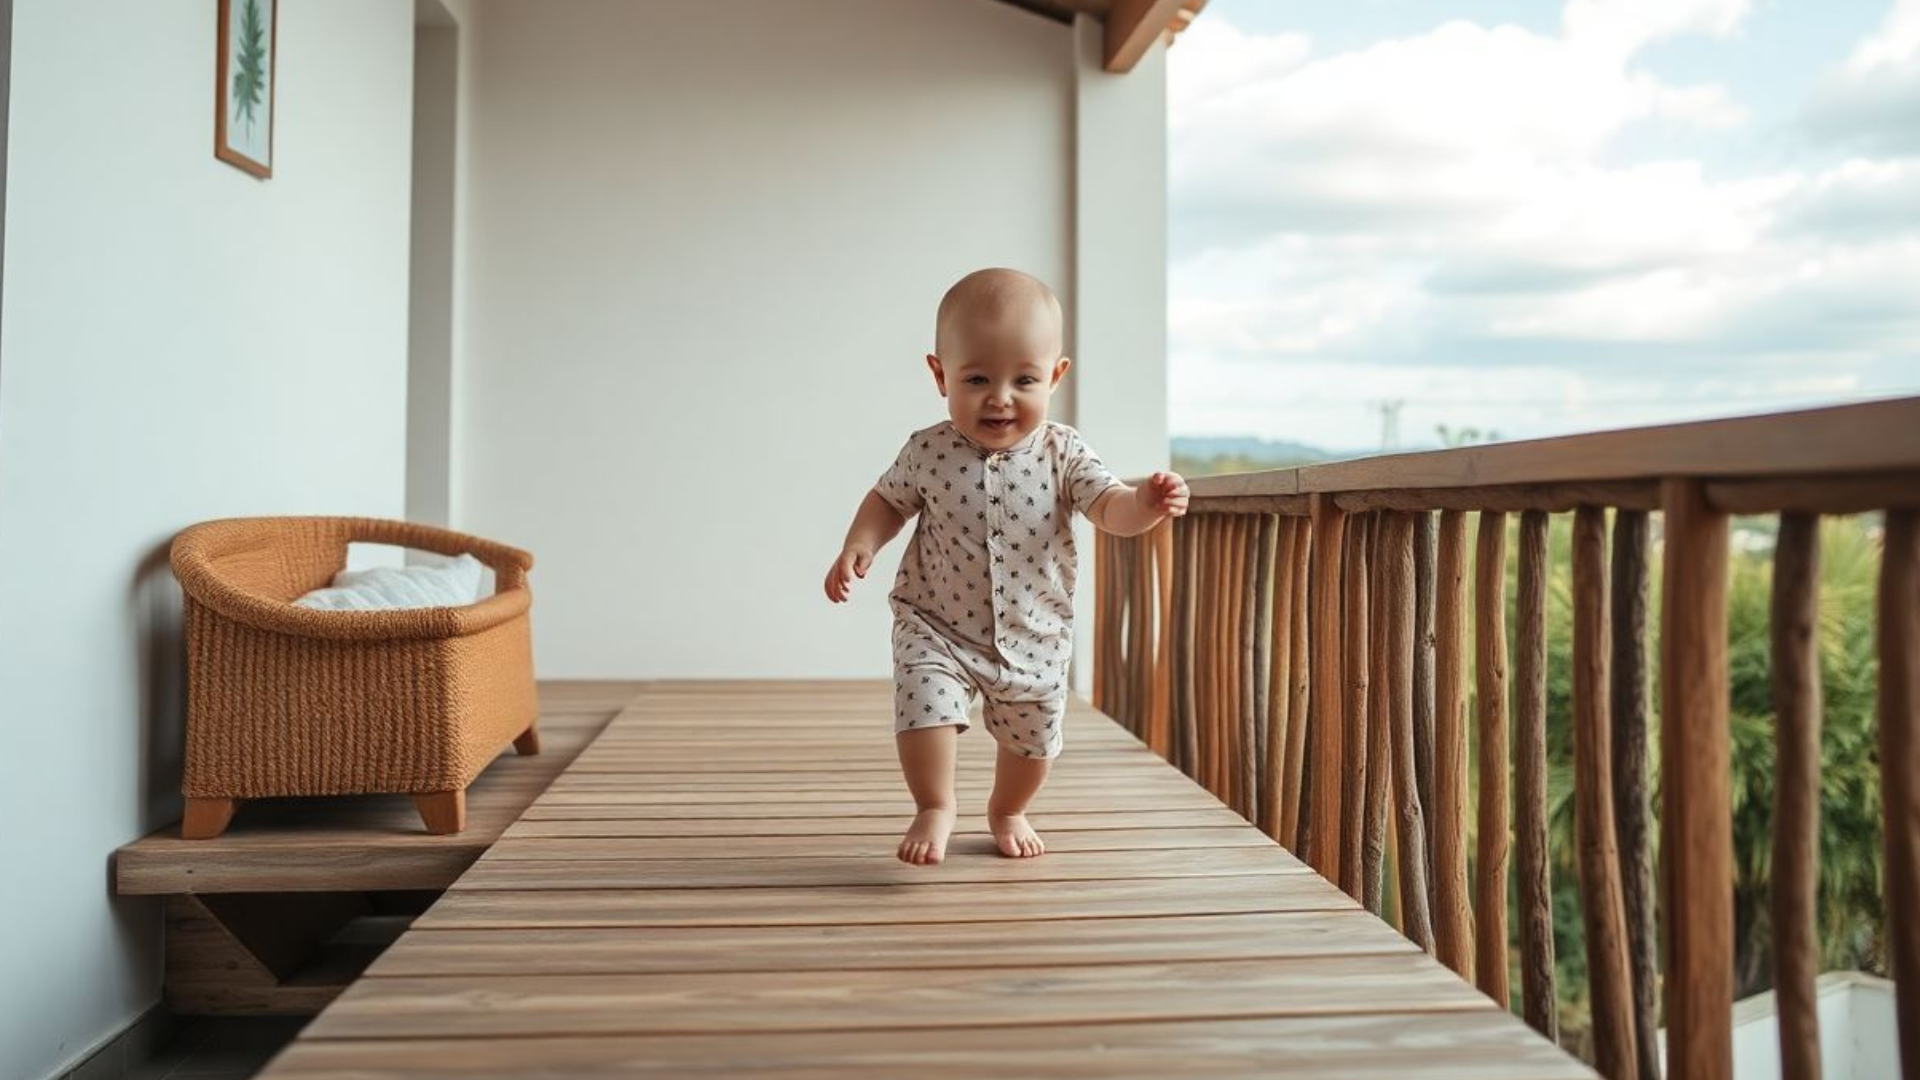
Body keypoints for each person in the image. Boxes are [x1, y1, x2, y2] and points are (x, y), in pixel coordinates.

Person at [824, 268, 1189, 865]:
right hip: (936, 624)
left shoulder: (1064, 453)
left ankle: (1008, 808)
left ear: (1055, 376)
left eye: (1024, 378)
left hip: (1034, 637)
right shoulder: (928, 450)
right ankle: (934, 805)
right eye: (976, 378)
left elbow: (1110, 508)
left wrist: (1145, 504)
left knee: (1032, 743)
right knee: (924, 709)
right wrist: (859, 544)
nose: (1000, 396)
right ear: (940, 375)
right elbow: (888, 500)